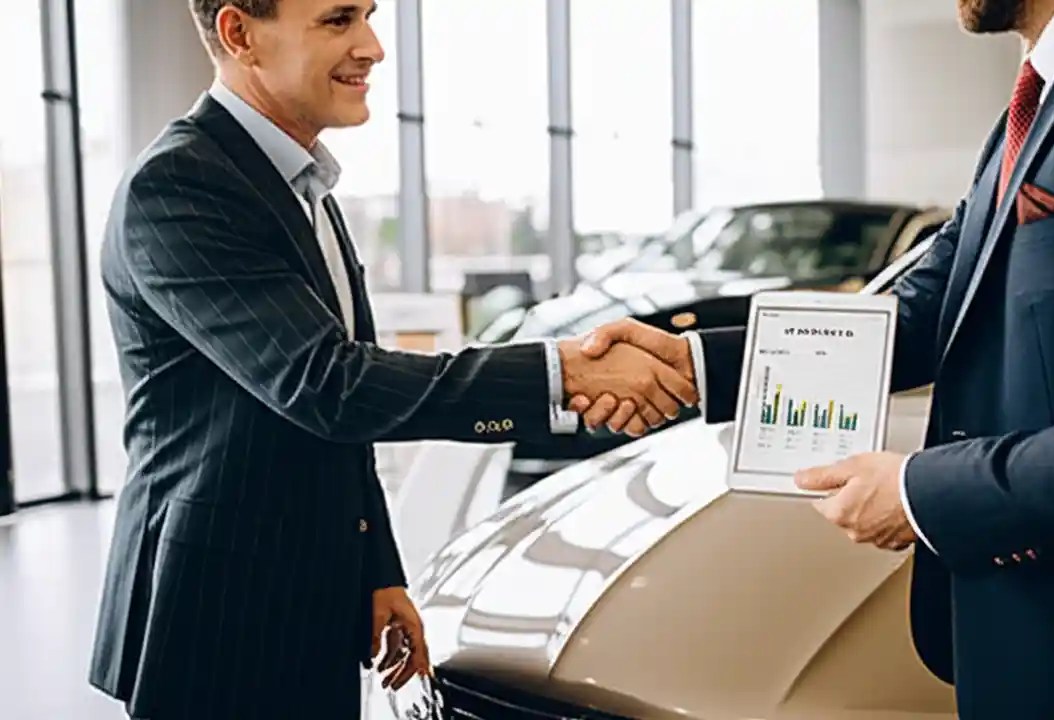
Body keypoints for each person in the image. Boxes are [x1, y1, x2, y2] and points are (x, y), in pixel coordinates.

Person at [575, 0, 1054, 717]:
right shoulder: (1044, 92)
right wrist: (690, 367)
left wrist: (921, 495)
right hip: (1030, 648)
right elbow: (922, 309)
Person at [87, 2, 694, 718]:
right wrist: (566, 373)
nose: (372, 47)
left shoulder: (298, 186)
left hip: (306, 587)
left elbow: (334, 416)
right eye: (337, 19)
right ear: (240, 33)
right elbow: (329, 385)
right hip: (221, 604)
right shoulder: (182, 185)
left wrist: (375, 569)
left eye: (368, 16)